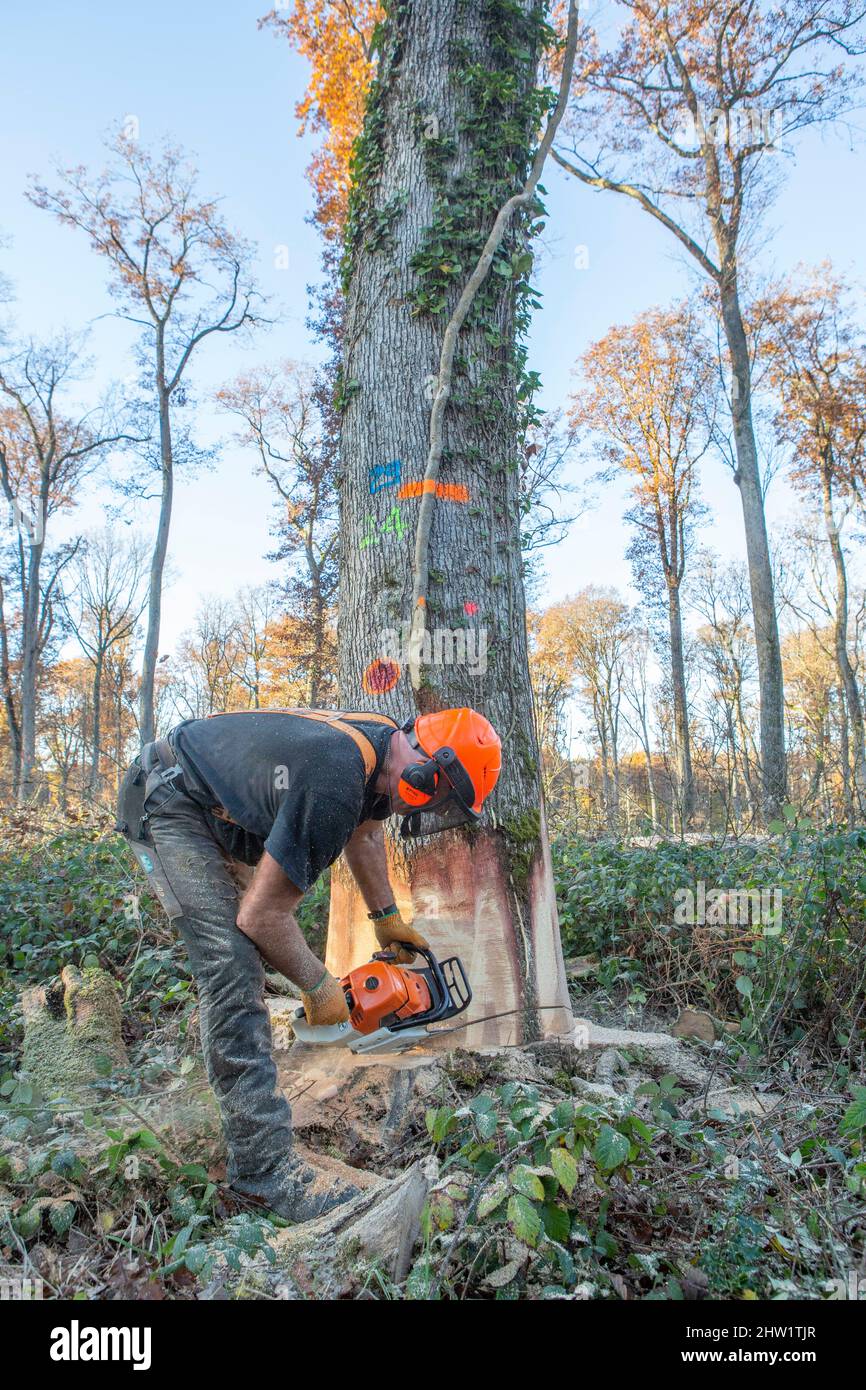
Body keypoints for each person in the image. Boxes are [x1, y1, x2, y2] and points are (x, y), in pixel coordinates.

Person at [116, 706, 501, 1220]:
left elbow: (364, 832)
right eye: (440, 794)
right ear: (429, 770)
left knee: (244, 953)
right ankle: (262, 1171)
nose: (430, 805)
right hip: (169, 802)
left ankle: (230, 1102)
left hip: (216, 809)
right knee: (232, 966)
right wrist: (319, 987)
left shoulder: (380, 745)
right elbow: (263, 917)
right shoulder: (336, 775)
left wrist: (386, 917)